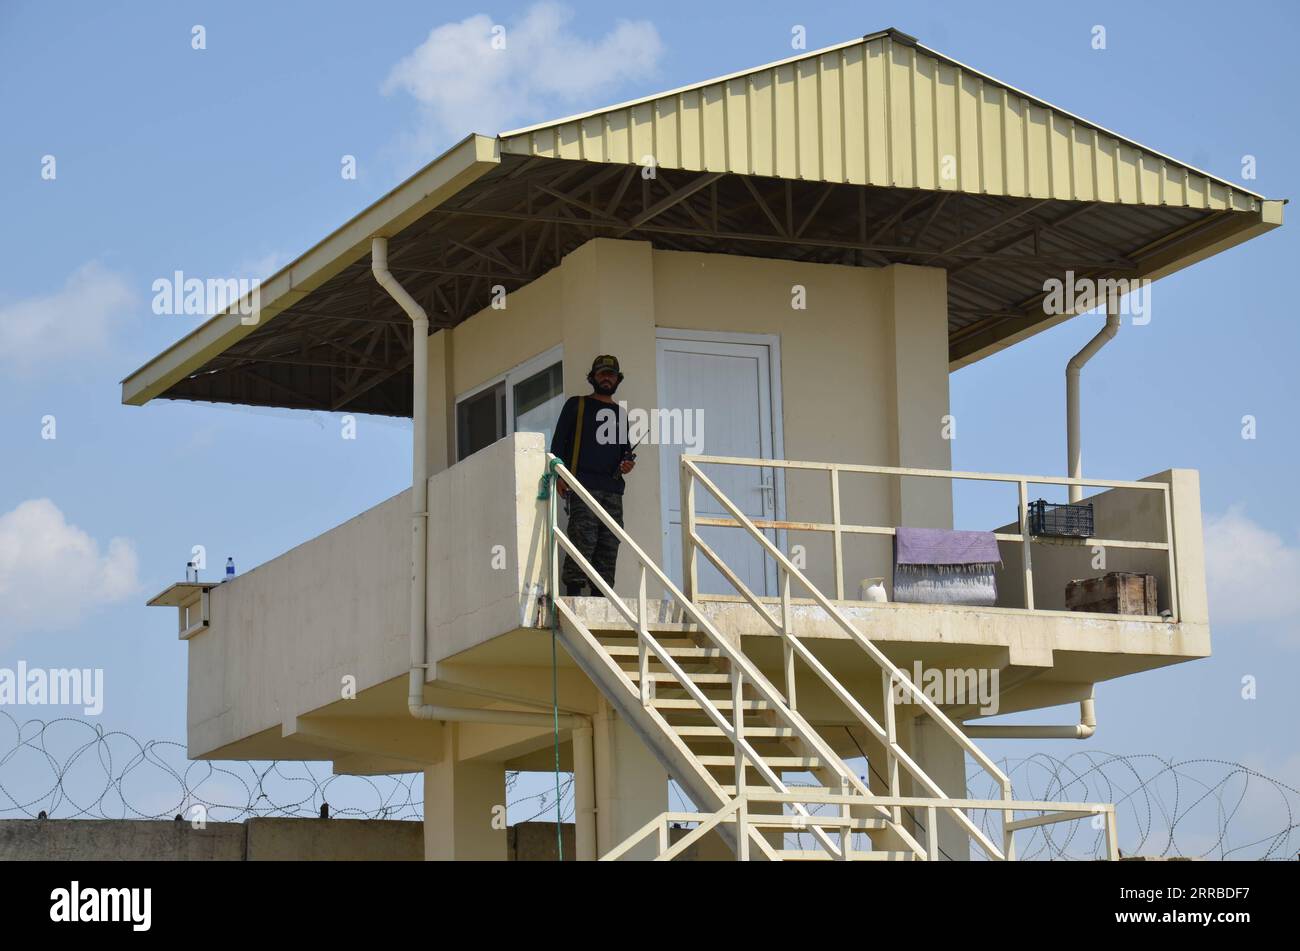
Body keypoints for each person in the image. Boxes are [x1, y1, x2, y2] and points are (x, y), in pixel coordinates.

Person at [550, 355, 636, 596]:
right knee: (582, 540)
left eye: (611, 374)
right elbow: (557, 445)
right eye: (602, 374)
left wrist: (627, 464)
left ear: (618, 379)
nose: (606, 378)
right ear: (593, 377)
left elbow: (625, 452)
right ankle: (574, 594)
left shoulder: (619, 414)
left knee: (609, 545)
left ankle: (602, 597)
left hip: (613, 490)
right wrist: (560, 476)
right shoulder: (576, 405)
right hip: (582, 486)